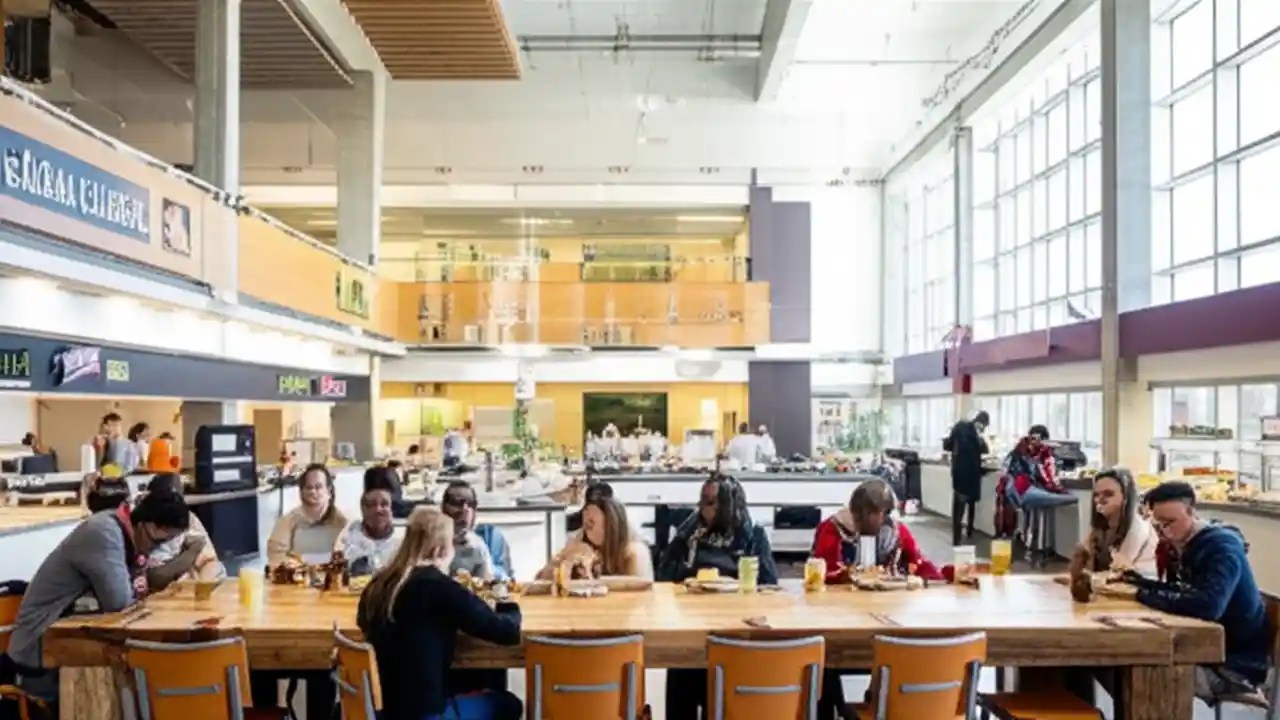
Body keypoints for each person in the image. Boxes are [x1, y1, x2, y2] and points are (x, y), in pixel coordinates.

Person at [5, 490, 190, 704]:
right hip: (40, 648)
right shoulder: (104, 533)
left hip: (71, 638)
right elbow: (119, 603)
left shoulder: (124, 533)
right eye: (157, 542)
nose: (155, 549)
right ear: (142, 524)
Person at [1109, 482, 1268, 706]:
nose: (1164, 532)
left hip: (1232, 667)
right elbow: (1185, 591)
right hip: (1204, 649)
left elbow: (1207, 606)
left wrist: (1141, 595)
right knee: (1112, 661)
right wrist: (1137, 582)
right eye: (1157, 524)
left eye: (1170, 523)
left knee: (1135, 667)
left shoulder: (1222, 548)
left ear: (1192, 512)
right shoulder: (1187, 542)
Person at [357, 506, 523, 720]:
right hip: (425, 713)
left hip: (382, 711)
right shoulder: (439, 587)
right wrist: (508, 605)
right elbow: (507, 632)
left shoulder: (379, 584)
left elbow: (364, 622)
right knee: (508, 704)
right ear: (440, 551)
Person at [660, 474, 776, 720]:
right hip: (692, 625)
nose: (703, 507)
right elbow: (664, 577)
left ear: (728, 505)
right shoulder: (689, 532)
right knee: (682, 671)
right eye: (702, 500)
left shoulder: (751, 535)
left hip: (736, 630)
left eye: (711, 502)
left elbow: (769, 586)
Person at [812, 479, 944, 584]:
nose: (865, 518)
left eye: (876, 512)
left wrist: (946, 574)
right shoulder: (834, 528)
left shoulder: (896, 532)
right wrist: (846, 575)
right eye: (864, 513)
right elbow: (822, 572)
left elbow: (918, 563)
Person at [1070, 468, 1158, 579]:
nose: (1100, 499)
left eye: (1108, 494)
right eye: (1096, 495)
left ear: (1125, 497)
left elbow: (1121, 569)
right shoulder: (1102, 526)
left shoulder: (1137, 528)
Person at [537, 496, 653, 580]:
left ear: (611, 525)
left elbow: (635, 596)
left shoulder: (634, 552)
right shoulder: (578, 542)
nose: (585, 527)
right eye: (585, 523)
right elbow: (540, 581)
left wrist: (593, 581)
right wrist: (562, 560)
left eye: (591, 523)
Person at [141, 474, 224, 589]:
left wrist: (202, 587)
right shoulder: (143, 526)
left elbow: (210, 561)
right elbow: (155, 577)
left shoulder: (186, 519)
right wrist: (192, 551)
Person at [994, 425, 1075, 540]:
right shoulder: (1030, 454)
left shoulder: (1027, 452)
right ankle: (1029, 538)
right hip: (1021, 491)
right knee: (1068, 499)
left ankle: (1028, 537)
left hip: (1018, 491)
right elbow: (1046, 477)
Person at [266, 464, 348, 566]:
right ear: (301, 492)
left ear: (329, 491)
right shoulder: (287, 522)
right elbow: (276, 559)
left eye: (318, 487)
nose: (313, 492)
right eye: (309, 487)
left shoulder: (344, 523)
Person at [337, 476, 401, 576]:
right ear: (363, 509)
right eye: (371, 505)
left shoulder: (403, 541)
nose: (378, 509)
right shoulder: (346, 538)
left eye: (384, 504)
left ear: (392, 509)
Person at [943, 410, 988, 545]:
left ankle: (957, 538)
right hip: (971, 474)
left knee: (958, 508)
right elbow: (984, 450)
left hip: (959, 473)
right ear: (982, 424)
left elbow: (948, 445)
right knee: (968, 504)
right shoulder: (975, 433)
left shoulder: (959, 426)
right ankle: (968, 532)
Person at [440, 481, 499, 581]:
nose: (465, 509)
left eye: (471, 504)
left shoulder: (477, 546)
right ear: (443, 508)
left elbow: (486, 583)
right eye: (457, 503)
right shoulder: (428, 542)